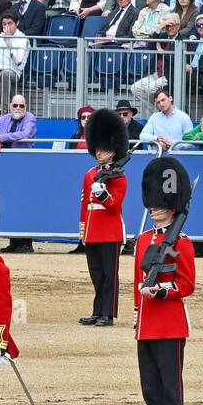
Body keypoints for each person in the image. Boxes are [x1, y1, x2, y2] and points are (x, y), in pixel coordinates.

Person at [123, 157, 195, 405]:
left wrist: (163, 291)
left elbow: (186, 284)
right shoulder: (142, 241)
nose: (153, 208)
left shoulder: (183, 242)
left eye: (159, 204)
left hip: (170, 324)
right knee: (151, 390)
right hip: (147, 324)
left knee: (170, 389)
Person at [79, 109, 128, 327]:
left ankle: (108, 313)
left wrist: (102, 192)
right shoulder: (90, 174)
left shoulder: (118, 176)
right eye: (97, 149)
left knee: (110, 275)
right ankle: (97, 310)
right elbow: (84, 206)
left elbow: (114, 206)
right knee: (97, 275)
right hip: (92, 230)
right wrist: (82, 230)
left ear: (113, 150)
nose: (99, 153)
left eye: (104, 149)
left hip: (109, 231)